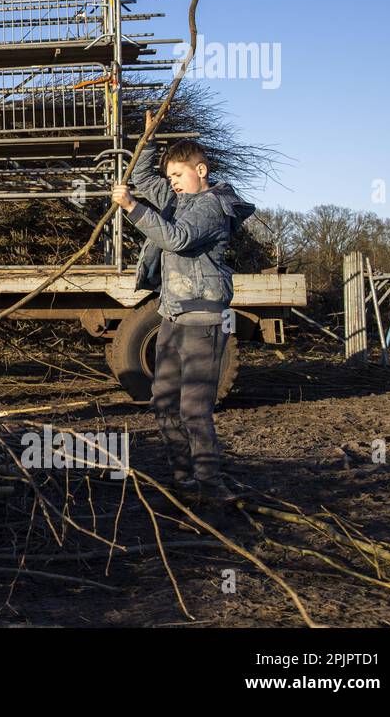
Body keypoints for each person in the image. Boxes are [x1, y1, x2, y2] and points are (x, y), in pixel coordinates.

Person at [112, 114, 256, 506]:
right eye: (171, 176)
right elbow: (143, 179)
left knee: (193, 410)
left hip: (203, 323)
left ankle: (212, 490)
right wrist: (149, 136)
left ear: (201, 170)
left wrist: (131, 209)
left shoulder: (212, 207)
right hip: (172, 319)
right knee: (162, 402)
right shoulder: (178, 201)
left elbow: (177, 239)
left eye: (178, 174)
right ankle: (183, 480)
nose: (172, 181)